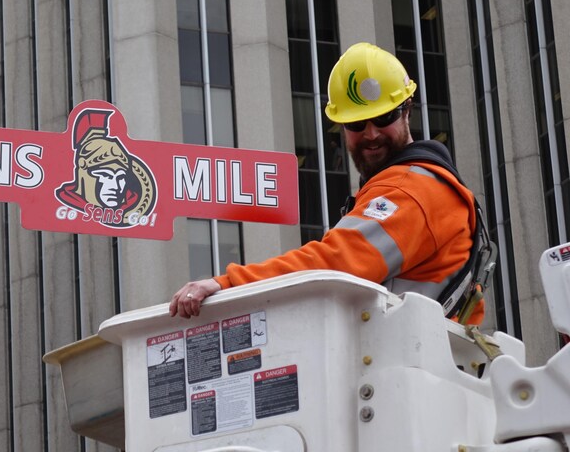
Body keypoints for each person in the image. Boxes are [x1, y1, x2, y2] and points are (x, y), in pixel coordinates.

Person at [169, 42, 486, 324]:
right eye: (356, 123)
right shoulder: (413, 184)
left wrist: (228, 284)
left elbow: (334, 263)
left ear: (407, 111)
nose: (371, 133)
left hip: (407, 367)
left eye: (385, 118)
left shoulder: (409, 190)